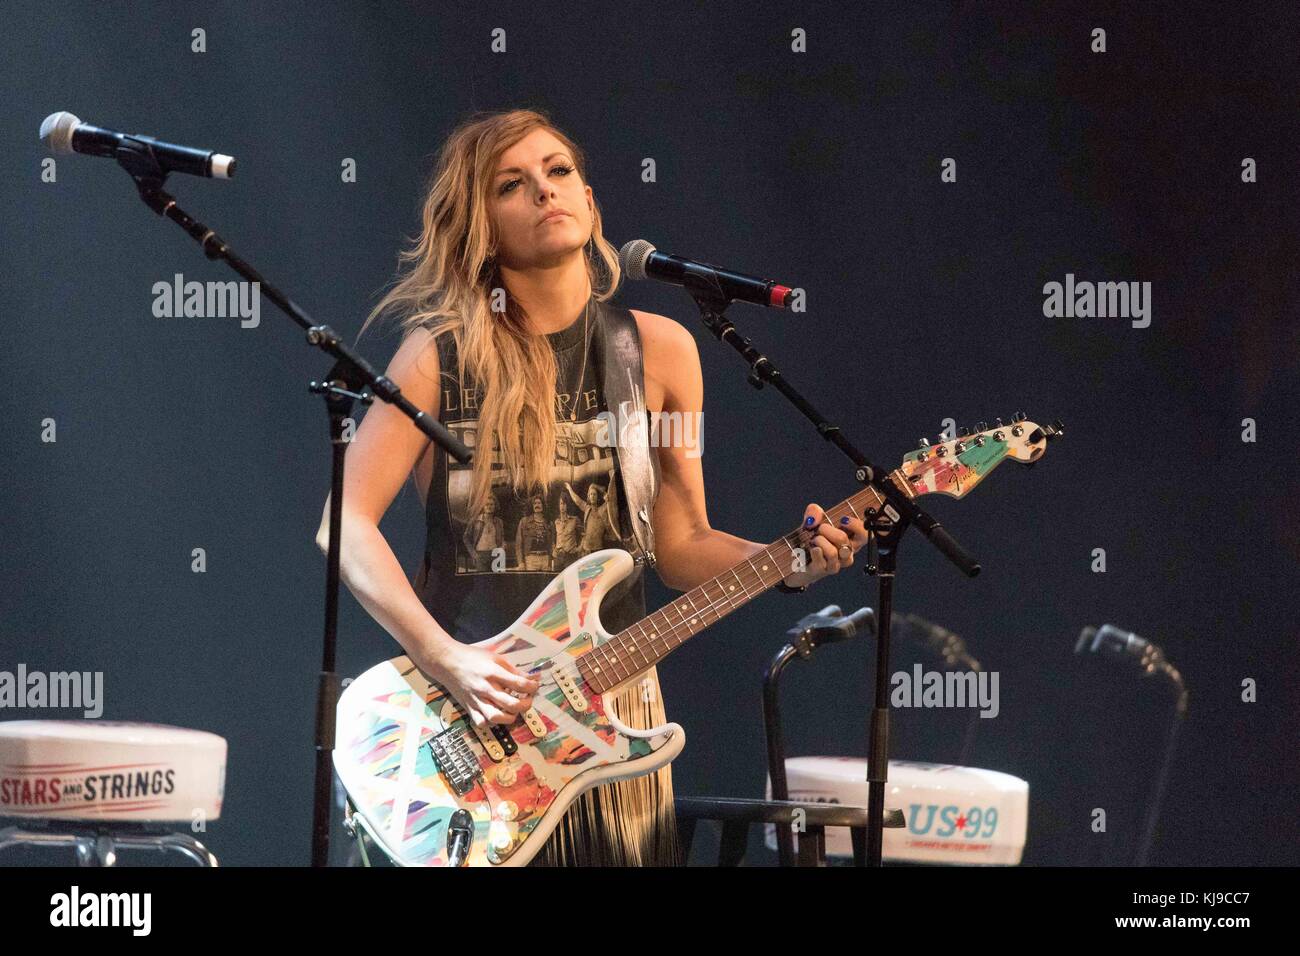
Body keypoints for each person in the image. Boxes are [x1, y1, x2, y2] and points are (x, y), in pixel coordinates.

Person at [315, 108, 869, 866]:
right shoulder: (436, 358)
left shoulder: (664, 355)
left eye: (559, 171)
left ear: (591, 199)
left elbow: (679, 544)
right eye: (513, 184)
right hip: (473, 710)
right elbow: (343, 522)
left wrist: (790, 559)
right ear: (480, 225)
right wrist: (447, 658)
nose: (545, 191)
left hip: (613, 719)